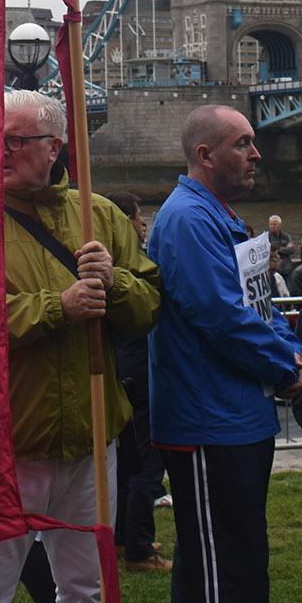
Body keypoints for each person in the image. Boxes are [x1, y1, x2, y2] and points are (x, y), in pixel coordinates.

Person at [0, 92, 161, 603]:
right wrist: (55, 308)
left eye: (20, 140)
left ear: (56, 147)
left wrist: (114, 285)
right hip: (10, 444)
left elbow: (149, 307)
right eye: (1, 138)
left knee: (86, 595)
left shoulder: (99, 215)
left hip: (91, 441)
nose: (6, 150)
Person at [147, 105, 302, 603]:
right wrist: (286, 364)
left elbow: (256, 305)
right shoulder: (189, 220)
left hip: (236, 417)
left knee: (221, 564)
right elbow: (222, 316)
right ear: (204, 155)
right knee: (226, 574)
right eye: (242, 144)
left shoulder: (220, 215)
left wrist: (290, 346)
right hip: (209, 423)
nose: (256, 154)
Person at [102, 191, 170, 574]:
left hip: (124, 370)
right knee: (148, 461)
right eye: (138, 216)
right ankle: (141, 550)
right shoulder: (126, 263)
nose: (143, 223)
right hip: (139, 371)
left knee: (129, 463)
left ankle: (126, 536)